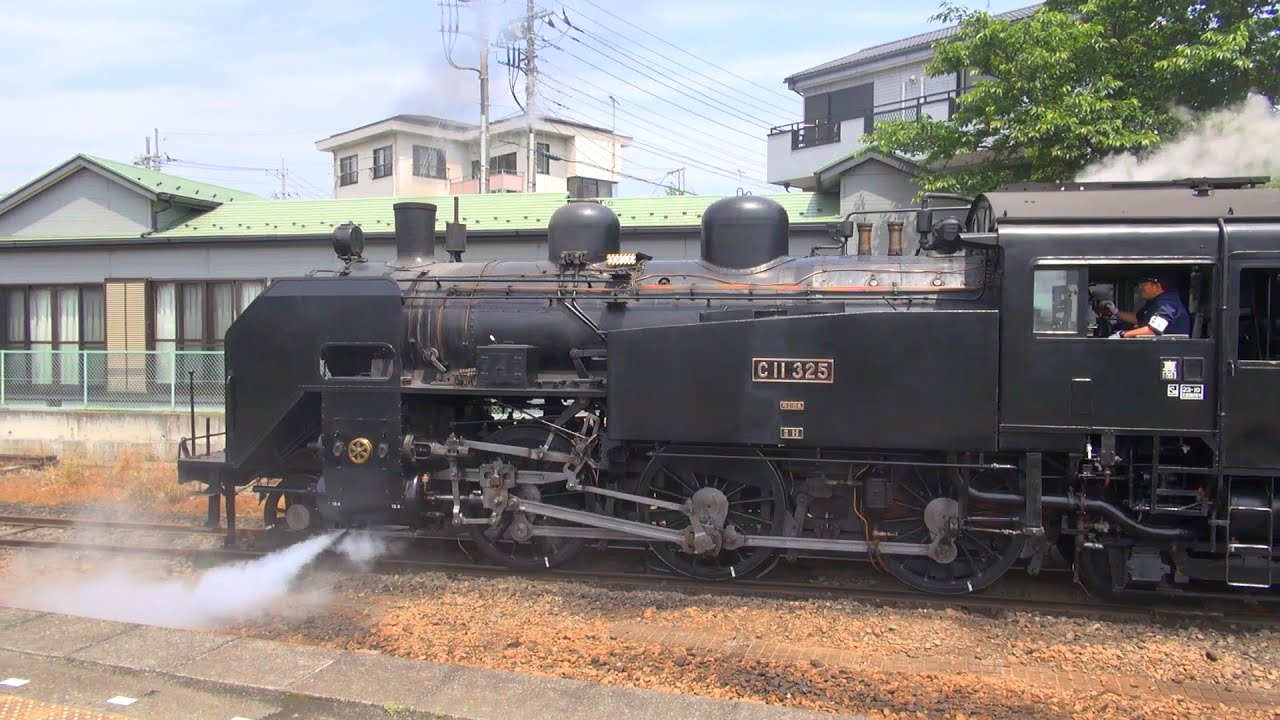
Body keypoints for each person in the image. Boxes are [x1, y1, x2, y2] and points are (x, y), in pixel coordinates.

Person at [1094, 275, 1191, 338]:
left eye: (1144, 284)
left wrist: (1122, 335)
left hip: (1168, 350)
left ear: (1157, 286)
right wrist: (1115, 311)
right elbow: (1138, 319)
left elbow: (1153, 330)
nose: (1140, 288)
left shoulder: (1167, 302)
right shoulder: (1154, 301)